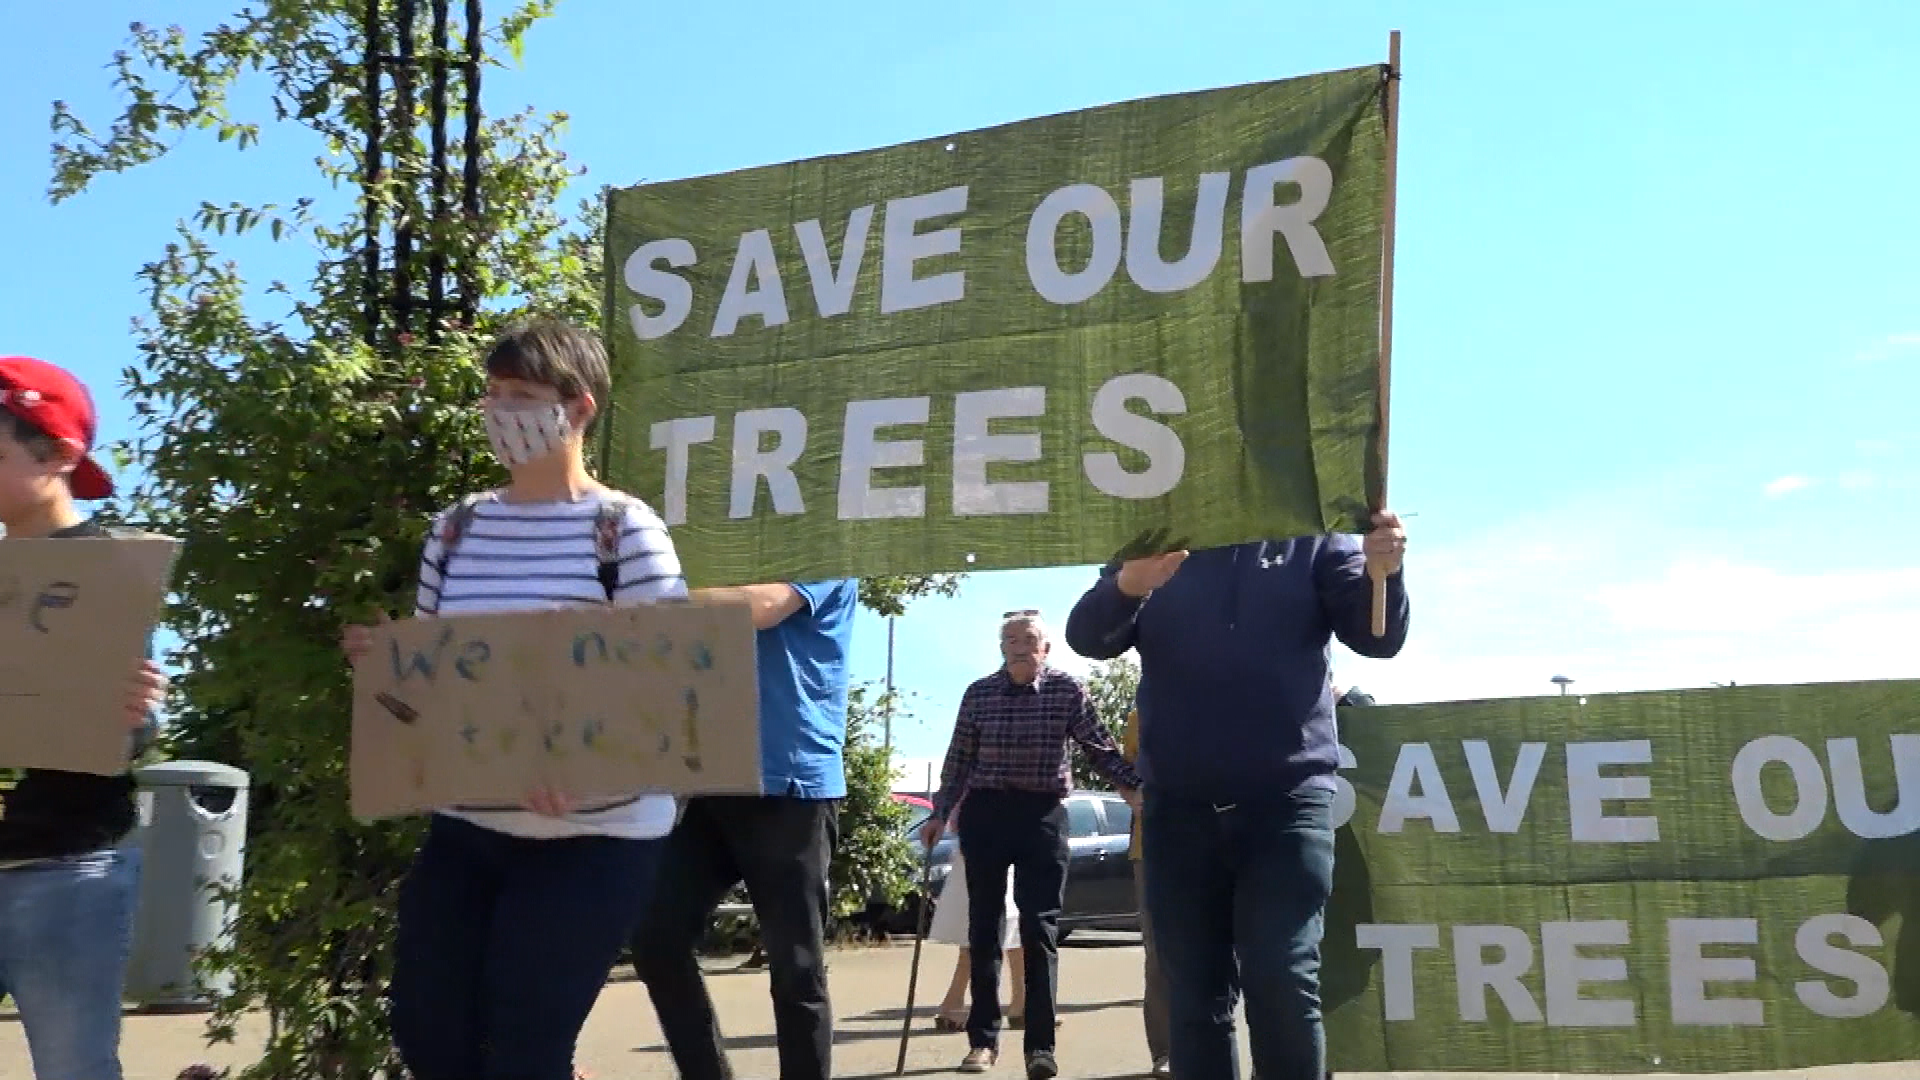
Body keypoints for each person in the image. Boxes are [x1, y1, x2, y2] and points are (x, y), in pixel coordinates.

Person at [341, 319, 690, 1080]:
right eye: (493, 394)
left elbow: (669, 682)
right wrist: (386, 665)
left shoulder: (624, 530)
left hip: (596, 838)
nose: (502, 412)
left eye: (523, 396)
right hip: (469, 825)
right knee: (429, 1030)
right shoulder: (456, 531)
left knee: (526, 1048)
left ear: (579, 409)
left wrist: (586, 765)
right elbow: (424, 689)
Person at [1066, 517, 1409, 1080]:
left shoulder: (1311, 532)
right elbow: (1088, 637)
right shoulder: (1155, 531)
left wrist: (1382, 572)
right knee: (1194, 994)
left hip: (1286, 801)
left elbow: (1377, 637)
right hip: (1178, 806)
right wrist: (1128, 584)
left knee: (1281, 976)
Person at [0, 356, 170, 1080]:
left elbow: (125, 730)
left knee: (74, 1069)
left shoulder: (106, 568)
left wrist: (140, 719)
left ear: (59, 456)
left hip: (65, 870)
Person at [633, 576, 858, 1080]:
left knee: (795, 965)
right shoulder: (718, 549)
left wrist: (647, 595)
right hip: (708, 778)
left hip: (791, 783)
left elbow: (762, 606)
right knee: (654, 937)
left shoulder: (827, 548)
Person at [920, 611, 1141, 1080]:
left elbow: (1097, 747)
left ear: (1046, 649)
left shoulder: (1067, 690)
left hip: (1041, 814)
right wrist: (940, 812)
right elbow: (958, 760)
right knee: (983, 929)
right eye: (1010, 639)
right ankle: (982, 1042)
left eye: (1029, 639)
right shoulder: (979, 693)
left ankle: (1040, 1048)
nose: (1019, 646)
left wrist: (1134, 788)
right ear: (1002, 647)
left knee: (1040, 931)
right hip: (986, 813)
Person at [926, 801, 1026, 1032]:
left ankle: (1021, 1001)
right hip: (987, 836)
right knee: (984, 922)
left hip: (997, 834)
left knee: (1014, 921)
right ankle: (954, 1003)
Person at [1121, 709, 1172, 1078]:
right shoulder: (1142, 714)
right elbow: (1124, 771)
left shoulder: (1229, 695)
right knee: (1159, 955)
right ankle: (1166, 1052)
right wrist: (1131, 793)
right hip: (1151, 848)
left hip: (1220, 840)